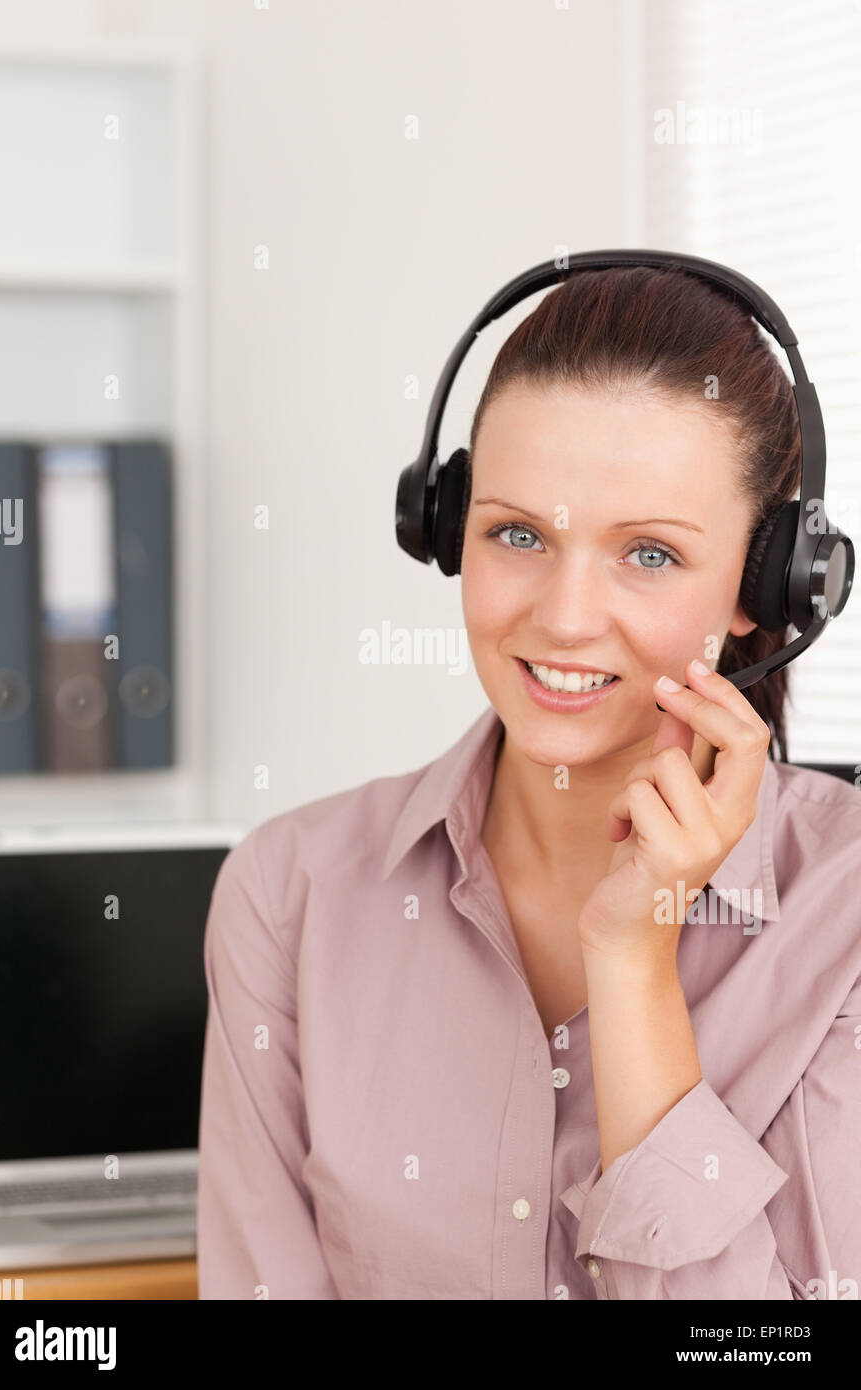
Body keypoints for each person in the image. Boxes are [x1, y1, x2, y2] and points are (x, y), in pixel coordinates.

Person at [196, 265, 861, 1300]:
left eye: (647, 553)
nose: (561, 617)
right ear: (445, 527)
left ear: (764, 583)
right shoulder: (291, 896)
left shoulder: (844, 916)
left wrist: (632, 963)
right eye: (518, 534)